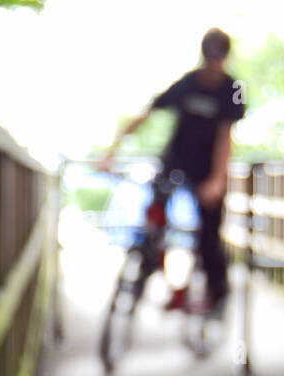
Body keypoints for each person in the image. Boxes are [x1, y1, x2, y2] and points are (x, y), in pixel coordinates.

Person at [101, 28, 245, 312]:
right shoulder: (188, 83)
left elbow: (225, 136)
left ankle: (218, 294)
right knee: (153, 217)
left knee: (209, 236)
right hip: (176, 163)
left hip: (209, 171)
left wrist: (216, 180)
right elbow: (147, 112)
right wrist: (112, 151)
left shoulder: (234, 89)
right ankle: (149, 265)